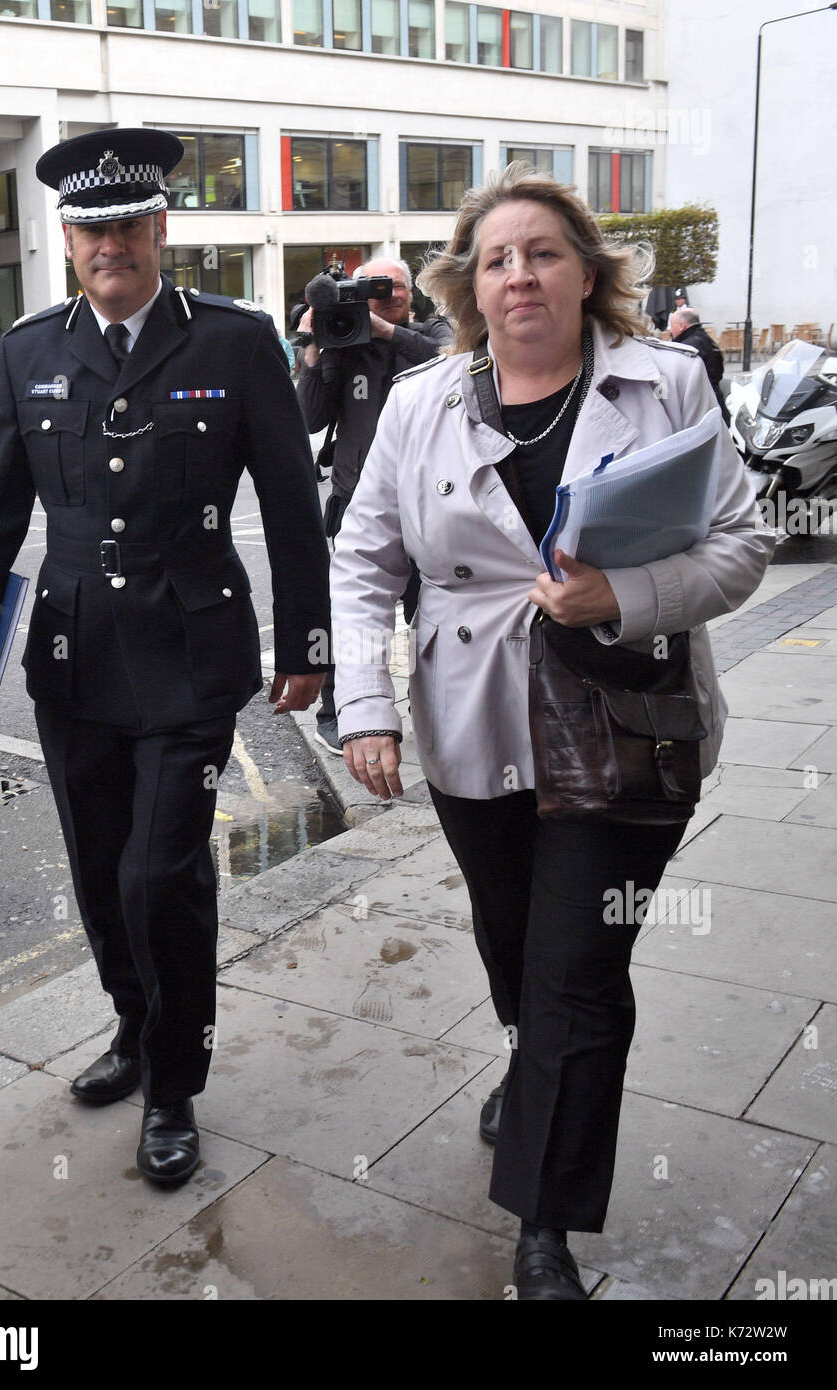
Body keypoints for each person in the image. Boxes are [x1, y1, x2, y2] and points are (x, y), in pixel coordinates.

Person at [329, 165, 773, 1299]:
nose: (519, 273)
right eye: (495, 258)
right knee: (514, 943)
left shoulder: (663, 383)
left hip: (623, 723)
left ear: (585, 272)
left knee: (577, 968)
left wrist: (620, 597)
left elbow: (740, 546)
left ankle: (543, 1224)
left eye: (541, 252)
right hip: (472, 724)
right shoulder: (419, 402)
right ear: (467, 288)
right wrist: (368, 707)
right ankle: (535, 1073)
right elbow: (364, 556)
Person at [0, 129, 330, 1187]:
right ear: (66, 240)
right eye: (88, 229)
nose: (107, 244)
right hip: (72, 657)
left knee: (161, 875)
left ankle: (173, 1082)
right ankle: (131, 1025)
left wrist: (307, 642)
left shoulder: (234, 339)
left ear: (160, 229)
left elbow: (293, 507)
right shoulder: (29, 349)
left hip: (191, 649)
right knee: (97, 870)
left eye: (125, 225)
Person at [295, 257, 452, 756]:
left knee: (434, 613)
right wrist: (316, 347)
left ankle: (446, 713)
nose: (384, 295)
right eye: (370, 289)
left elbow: (451, 360)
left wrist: (385, 331)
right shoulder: (345, 344)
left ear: (411, 292)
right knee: (353, 613)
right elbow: (311, 416)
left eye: (394, 287)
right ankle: (338, 712)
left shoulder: (432, 332)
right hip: (356, 501)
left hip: (431, 508)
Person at [669, 307, 730, 423]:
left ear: (682, 326)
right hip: (716, 402)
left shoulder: (687, 348)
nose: (670, 331)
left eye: (672, 326)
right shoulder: (706, 339)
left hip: (702, 409)